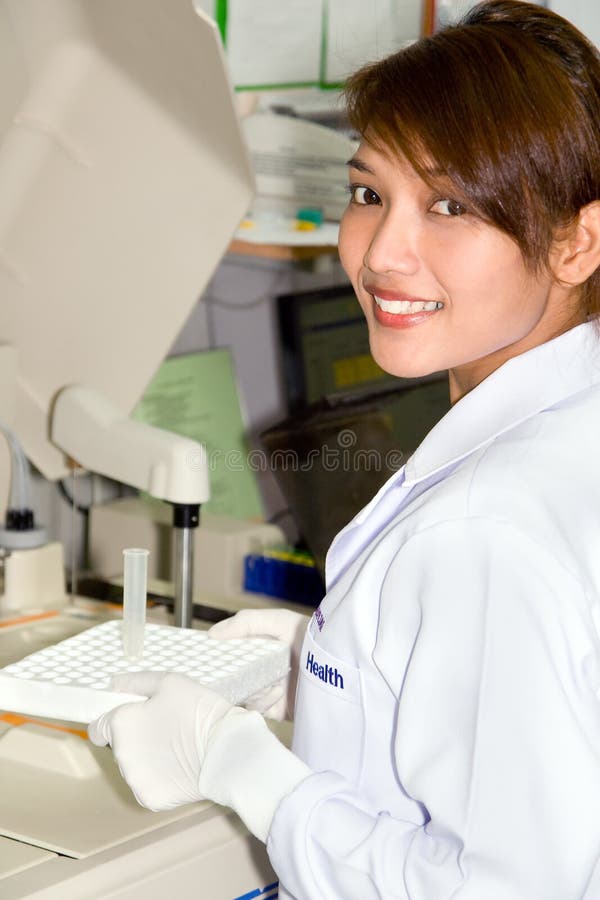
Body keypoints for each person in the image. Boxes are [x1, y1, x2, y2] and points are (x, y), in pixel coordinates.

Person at [89, 2, 600, 897]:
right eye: (369, 194)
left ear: (577, 242)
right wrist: (345, 673)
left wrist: (239, 766)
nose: (381, 254)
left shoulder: (483, 532)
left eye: (450, 205)